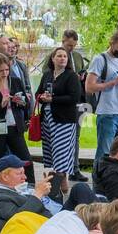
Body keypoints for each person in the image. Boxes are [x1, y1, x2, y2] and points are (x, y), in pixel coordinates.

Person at [0, 52, 34, 185]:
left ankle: (31, 186)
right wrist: (1, 105)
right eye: (1, 71)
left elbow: (25, 103)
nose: (4, 73)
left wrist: (21, 102)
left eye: (7, 70)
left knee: (25, 158)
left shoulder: (15, 81)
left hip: (14, 126)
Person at [86, 30, 118, 167]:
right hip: (107, 112)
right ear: (112, 43)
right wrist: (113, 82)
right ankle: (99, 181)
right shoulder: (100, 59)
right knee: (105, 151)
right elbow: (89, 87)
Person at [36, 46, 84, 181]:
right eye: (59, 56)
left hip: (64, 121)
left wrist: (53, 99)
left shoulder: (71, 76)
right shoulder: (47, 75)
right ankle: (56, 182)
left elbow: (74, 97)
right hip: (47, 120)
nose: (62, 58)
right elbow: (37, 93)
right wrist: (42, 97)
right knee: (50, 151)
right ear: (53, 58)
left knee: (61, 152)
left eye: (64, 56)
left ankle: (61, 180)